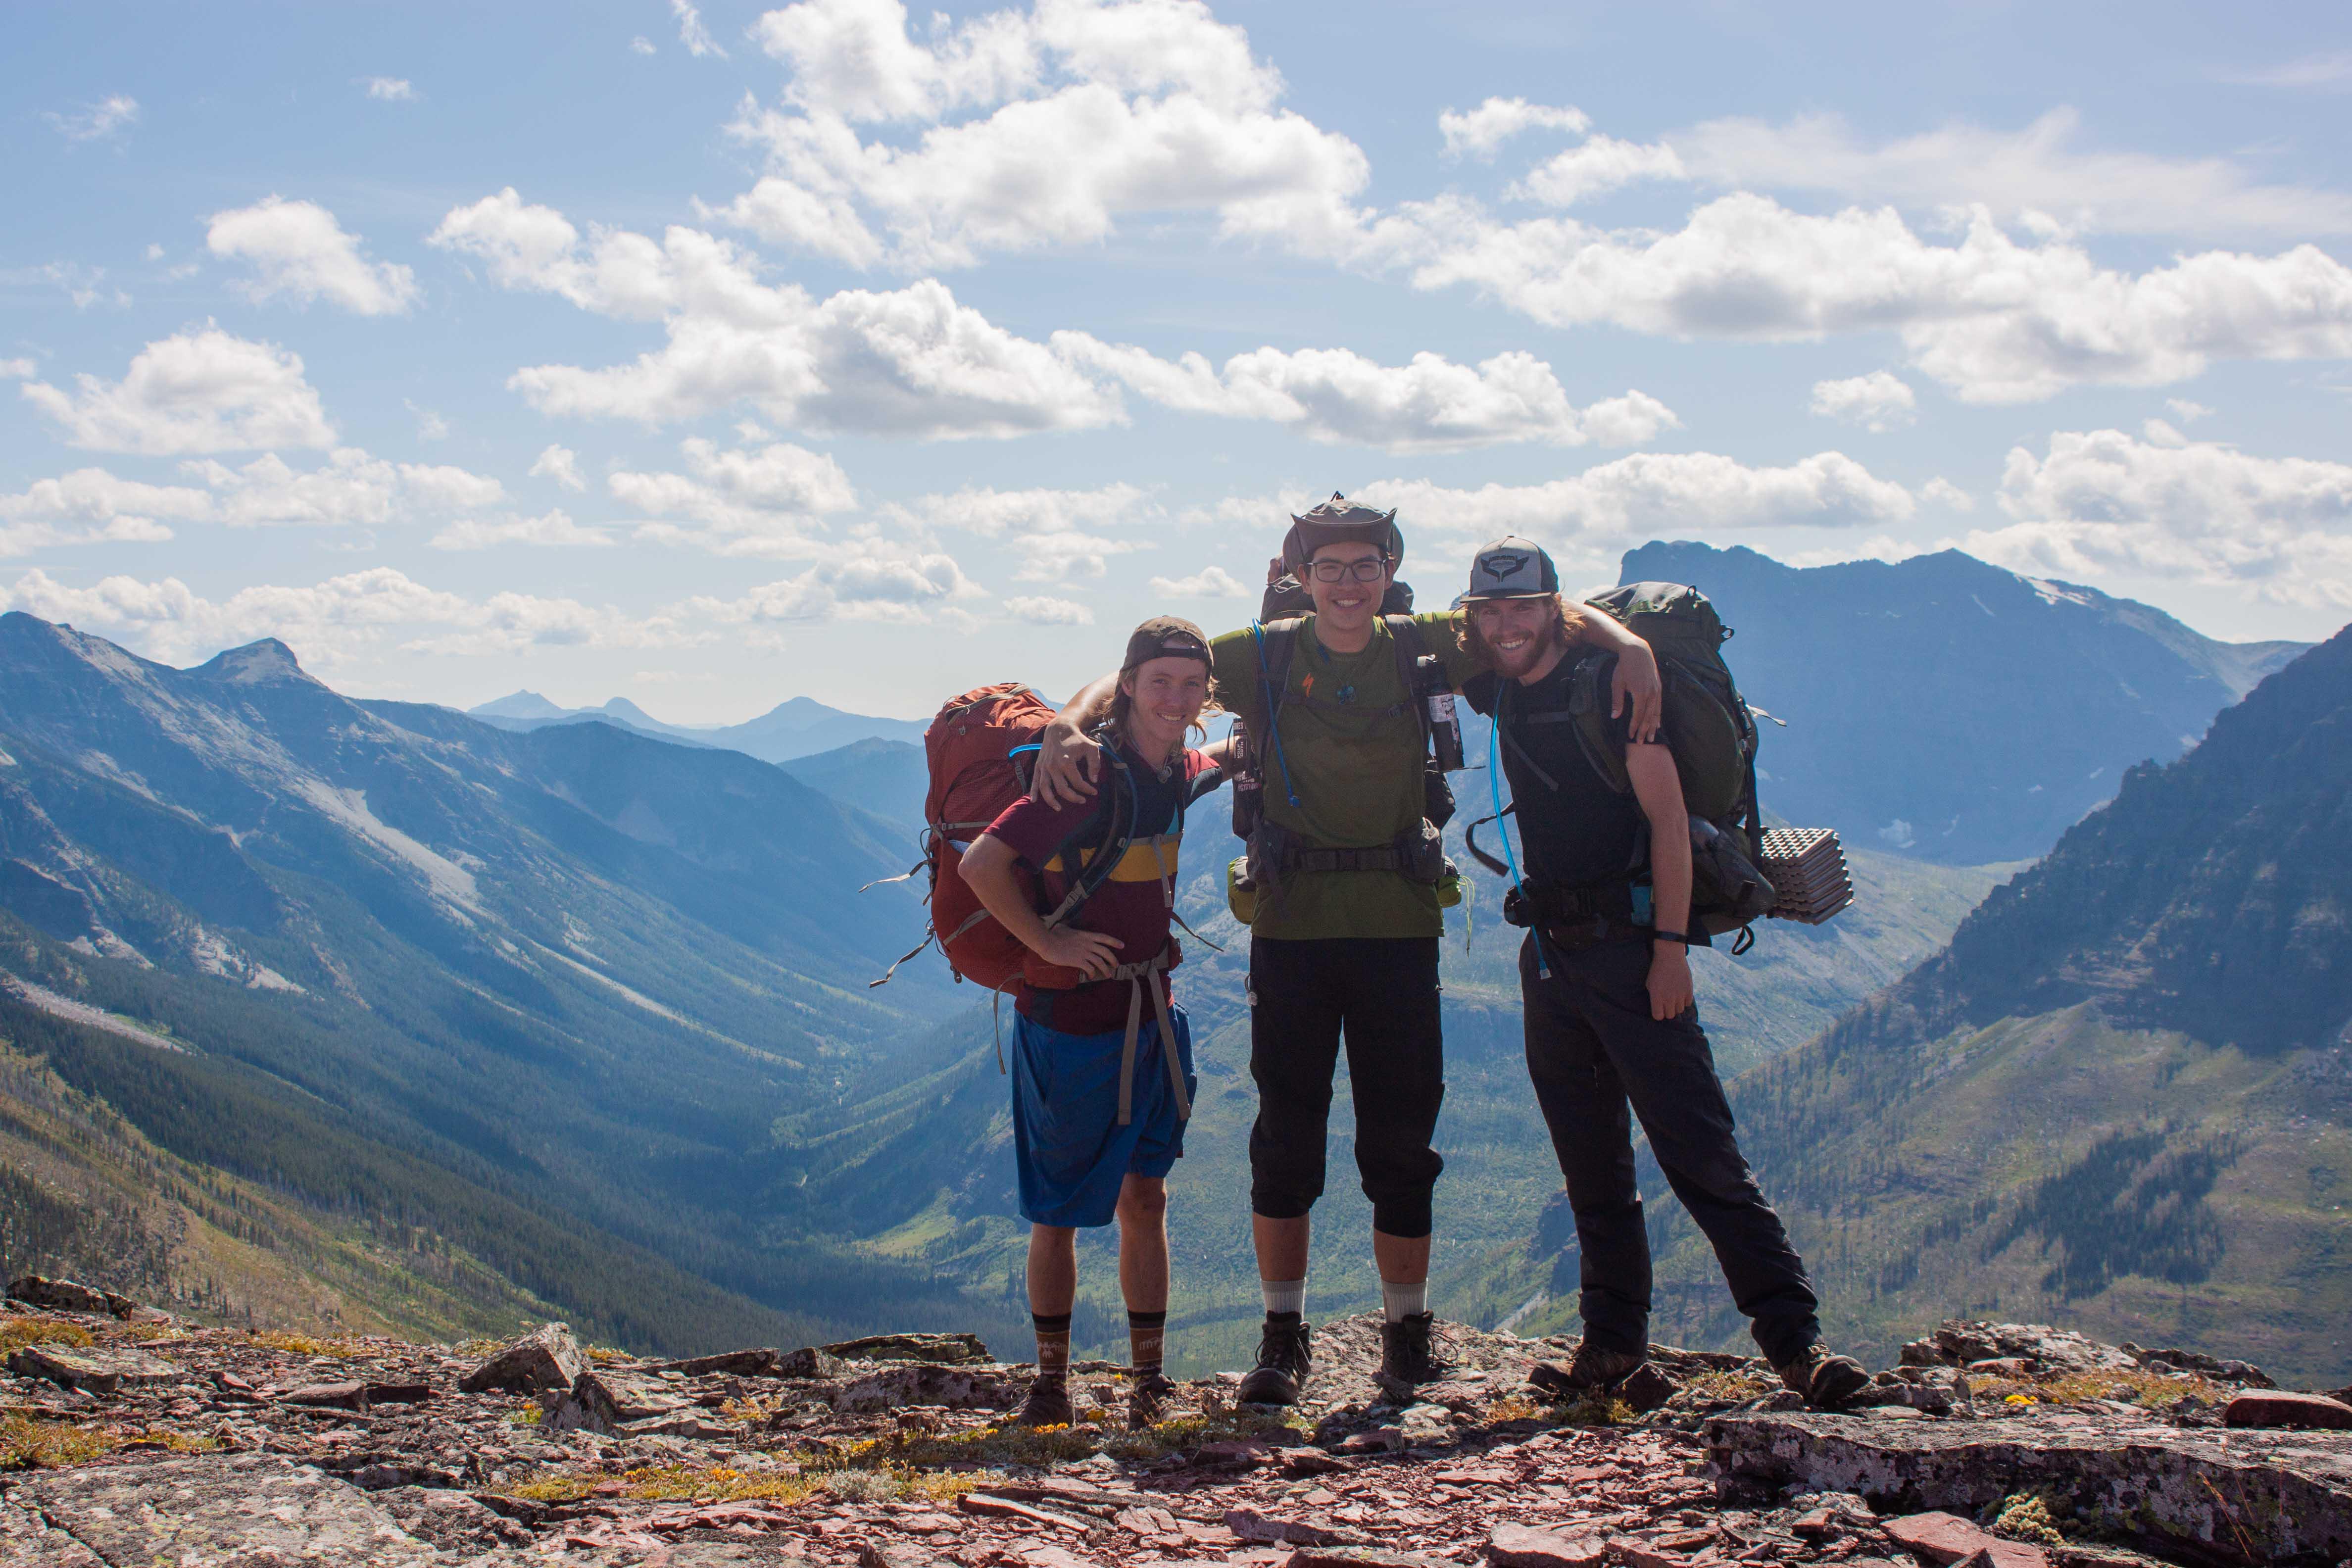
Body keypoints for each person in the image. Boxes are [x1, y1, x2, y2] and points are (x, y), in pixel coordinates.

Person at [1031, 496, 1662, 1403]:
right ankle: (1282, 1338)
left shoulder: (1423, 641)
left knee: (1402, 1141)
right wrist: (1067, 722)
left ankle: (1406, 1334)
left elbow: (1546, 616)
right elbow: (1144, 672)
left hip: (1401, 925)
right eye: (1329, 568)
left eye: (1365, 565)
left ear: (1387, 572)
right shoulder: (1265, 651)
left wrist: (1631, 646)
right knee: (1285, 1137)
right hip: (1291, 926)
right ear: (1301, 577)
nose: (1348, 583)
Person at [1454, 535, 1870, 1409]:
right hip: (1552, 958)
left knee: (1699, 1153)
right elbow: (1396, 631)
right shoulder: (1496, 684)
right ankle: (1610, 1348)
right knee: (1590, 1162)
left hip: (1635, 952)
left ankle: (1797, 1345)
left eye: (1522, 608)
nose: (1505, 626)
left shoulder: (1611, 692)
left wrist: (1672, 950)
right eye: (1489, 611)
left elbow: (1671, 824)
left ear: (1554, 608)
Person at [959, 617, 1226, 1431]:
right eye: (1159, 683)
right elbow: (981, 866)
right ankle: (1050, 1385)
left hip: (1152, 1019)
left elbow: (1231, 755)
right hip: (1073, 1027)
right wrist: (1047, 941)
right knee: (1060, 1215)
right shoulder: (1081, 778)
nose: (1175, 699)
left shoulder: (1181, 768)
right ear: (1131, 684)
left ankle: (1149, 1381)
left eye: (1191, 685)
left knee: (1146, 1199)